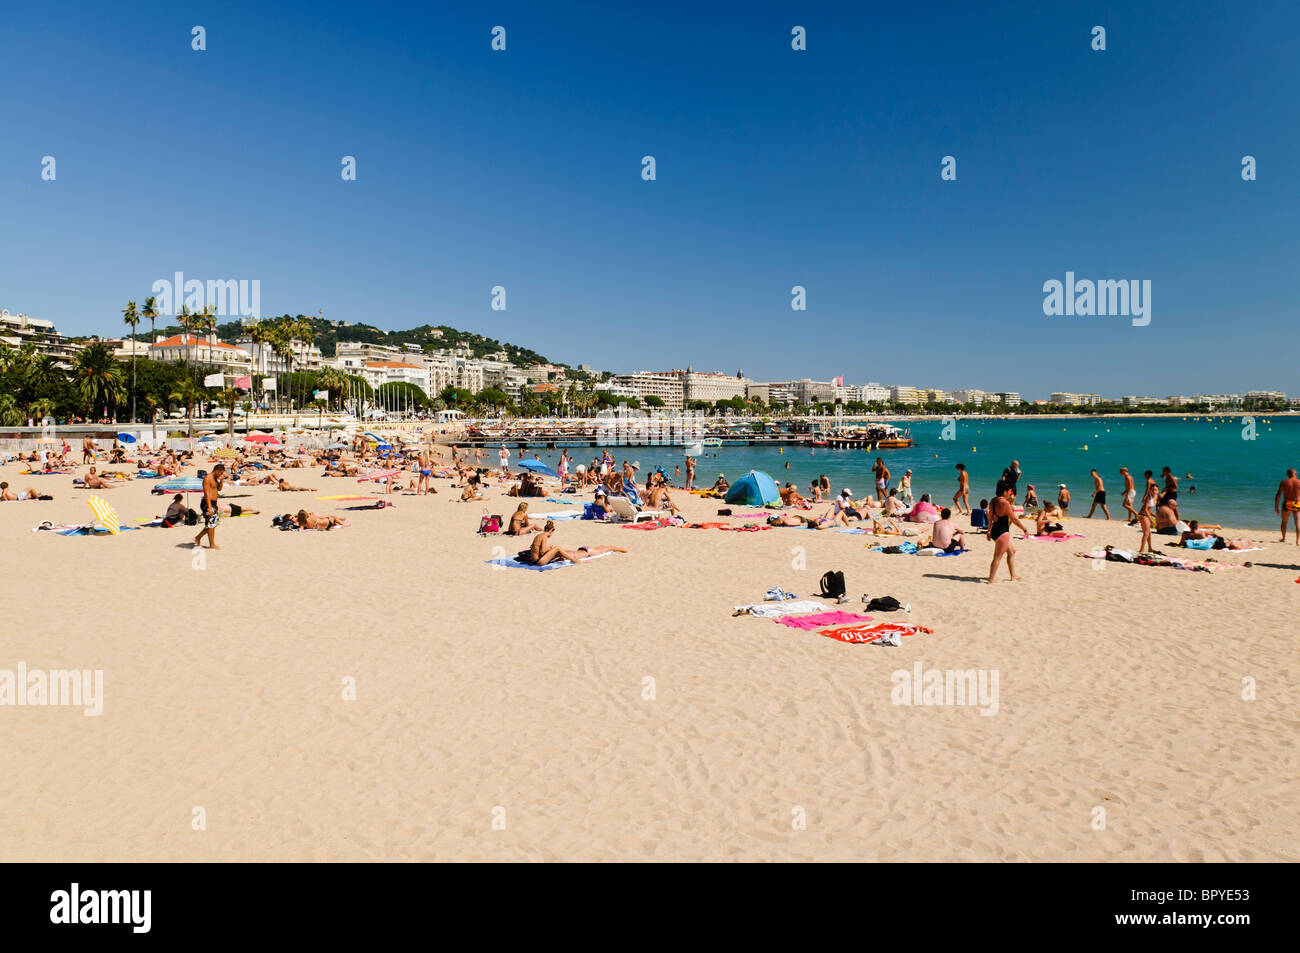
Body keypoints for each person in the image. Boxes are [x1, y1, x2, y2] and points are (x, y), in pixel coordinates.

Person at [987, 481, 1031, 584]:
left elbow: (990, 518)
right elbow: (1014, 519)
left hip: (994, 531)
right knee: (997, 557)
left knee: (1011, 551)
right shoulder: (1004, 503)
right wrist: (1024, 529)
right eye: (1009, 491)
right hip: (1003, 533)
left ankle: (1013, 575)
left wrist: (989, 531)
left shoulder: (993, 500)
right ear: (1004, 491)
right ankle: (991, 580)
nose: (1010, 493)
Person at [194, 464, 225, 549]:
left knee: (212, 523)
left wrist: (221, 481)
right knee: (211, 524)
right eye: (221, 473)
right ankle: (212, 545)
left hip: (213, 503)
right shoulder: (208, 478)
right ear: (216, 470)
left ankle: (198, 537)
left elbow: (219, 489)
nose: (221, 475)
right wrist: (210, 507)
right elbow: (206, 494)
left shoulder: (215, 478)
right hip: (208, 503)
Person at [1274, 468, 1300, 544]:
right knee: (1298, 522)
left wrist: (1276, 507)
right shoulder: (1299, 482)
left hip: (1287, 503)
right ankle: (1298, 540)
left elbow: (1278, 495)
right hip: (1297, 503)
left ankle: (1283, 538)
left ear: (1288, 474)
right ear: (1295, 474)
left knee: (1284, 522)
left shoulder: (1284, 482)